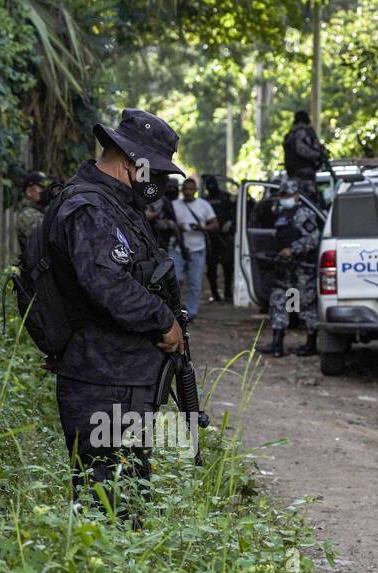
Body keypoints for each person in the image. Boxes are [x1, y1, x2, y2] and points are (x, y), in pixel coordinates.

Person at [45, 108, 185, 509]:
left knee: (125, 490)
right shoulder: (91, 208)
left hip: (118, 376)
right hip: (104, 380)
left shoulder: (114, 205)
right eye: (154, 173)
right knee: (107, 497)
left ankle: (119, 567)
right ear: (129, 163)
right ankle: (99, 570)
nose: (156, 184)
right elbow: (106, 284)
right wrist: (164, 322)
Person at [256, 180, 321, 357]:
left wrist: (293, 249)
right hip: (285, 269)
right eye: (283, 196)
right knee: (278, 301)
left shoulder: (303, 214)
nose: (285, 199)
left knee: (306, 305)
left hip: (302, 269)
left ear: (297, 196)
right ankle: (277, 343)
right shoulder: (283, 215)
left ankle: (311, 343)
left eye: (288, 196)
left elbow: (313, 238)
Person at [169, 177, 218, 318]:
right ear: (182, 190)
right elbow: (166, 224)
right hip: (177, 248)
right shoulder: (174, 205)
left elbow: (215, 225)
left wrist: (203, 227)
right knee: (174, 280)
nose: (188, 192)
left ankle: (191, 312)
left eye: (191, 189)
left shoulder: (204, 205)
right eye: (186, 189)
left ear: (196, 190)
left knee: (195, 282)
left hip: (197, 249)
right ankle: (174, 309)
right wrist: (177, 228)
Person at [202, 175, 236, 304]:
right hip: (211, 238)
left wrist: (230, 223)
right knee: (211, 269)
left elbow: (235, 214)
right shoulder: (204, 200)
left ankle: (228, 293)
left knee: (228, 267)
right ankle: (215, 294)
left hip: (225, 238)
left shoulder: (226, 197)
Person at [282, 109, 327, 204]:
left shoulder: (291, 134)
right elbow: (302, 150)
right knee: (310, 202)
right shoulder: (302, 133)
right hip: (304, 175)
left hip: (293, 175)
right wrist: (318, 155)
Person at [15, 171, 51, 251]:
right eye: (42, 187)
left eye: (47, 187)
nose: (46, 190)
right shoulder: (26, 215)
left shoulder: (43, 209)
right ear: (29, 192)